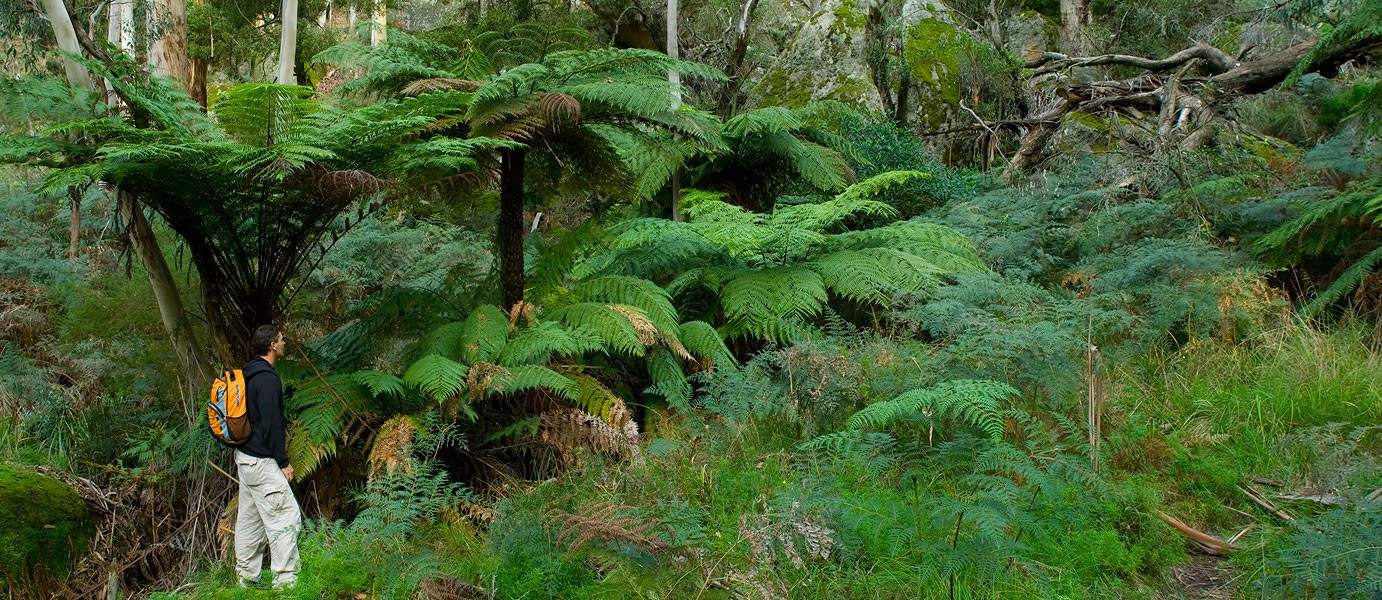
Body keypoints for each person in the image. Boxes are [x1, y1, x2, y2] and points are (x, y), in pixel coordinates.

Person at [234, 324, 300, 589]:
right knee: (286, 518)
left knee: (250, 520)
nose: (284, 343)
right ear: (272, 345)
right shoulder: (268, 378)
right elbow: (273, 424)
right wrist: (283, 462)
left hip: (245, 459)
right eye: (282, 340)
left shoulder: (247, 374)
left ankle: (246, 578)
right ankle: (286, 584)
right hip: (262, 461)